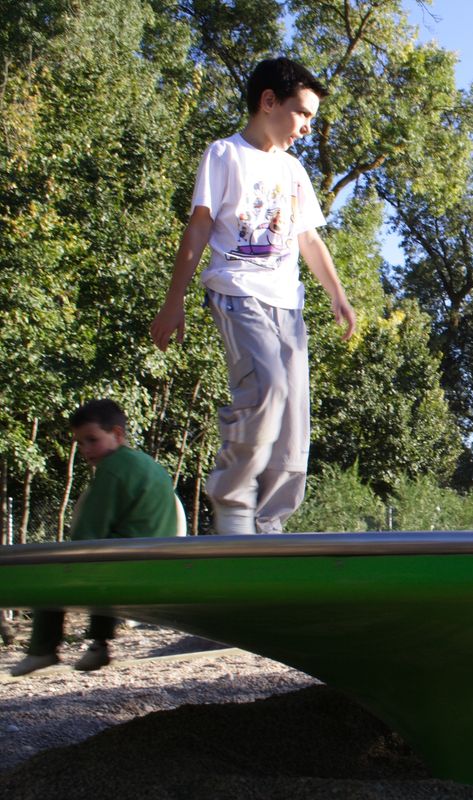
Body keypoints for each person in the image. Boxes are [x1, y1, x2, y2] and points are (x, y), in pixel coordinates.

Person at [150, 57, 356, 535]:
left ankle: (268, 528)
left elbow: (309, 239)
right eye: (302, 114)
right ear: (268, 102)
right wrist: (174, 298)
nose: (307, 127)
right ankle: (232, 496)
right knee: (268, 390)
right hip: (238, 291)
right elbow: (199, 226)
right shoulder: (224, 155)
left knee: (293, 430)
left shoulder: (294, 171)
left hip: (288, 305)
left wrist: (338, 296)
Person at [10, 400, 179, 676]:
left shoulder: (112, 469)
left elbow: (87, 533)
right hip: (154, 563)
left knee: (48, 576)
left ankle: (42, 650)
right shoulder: (148, 464)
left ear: (117, 434)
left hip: (128, 569)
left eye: (92, 440)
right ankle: (99, 645)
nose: (86, 450)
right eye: (81, 443)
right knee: (107, 558)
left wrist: (61, 559)